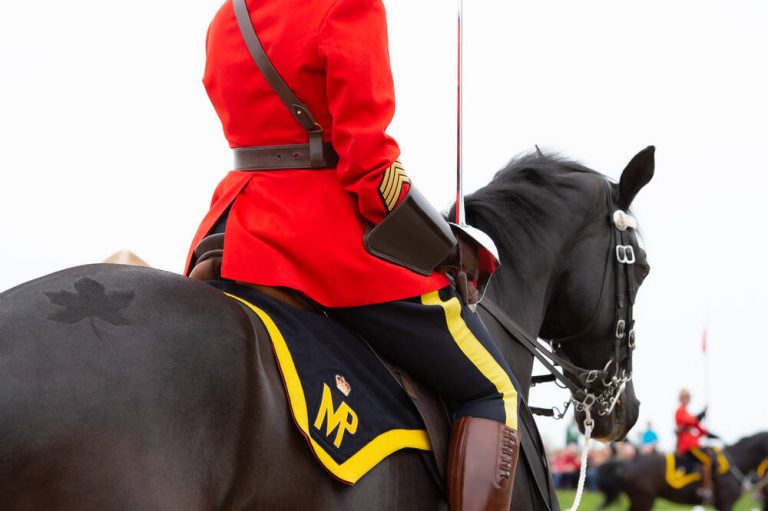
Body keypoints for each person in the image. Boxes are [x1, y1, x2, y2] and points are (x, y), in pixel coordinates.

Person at [184, 1, 522, 509]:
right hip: (322, 242)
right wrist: (443, 247)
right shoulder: (347, 5)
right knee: (493, 389)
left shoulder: (229, 16)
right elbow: (369, 166)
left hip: (235, 233)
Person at [675, 389, 716, 500]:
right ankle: (705, 489)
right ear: (681, 399)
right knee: (707, 461)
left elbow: (697, 426)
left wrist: (709, 434)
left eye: (687, 397)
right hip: (687, 445)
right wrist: (699, 416)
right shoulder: (680, 411)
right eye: (684, 397)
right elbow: (690, 421)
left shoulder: (687, 412)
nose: (686, 399)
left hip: (693, 443)